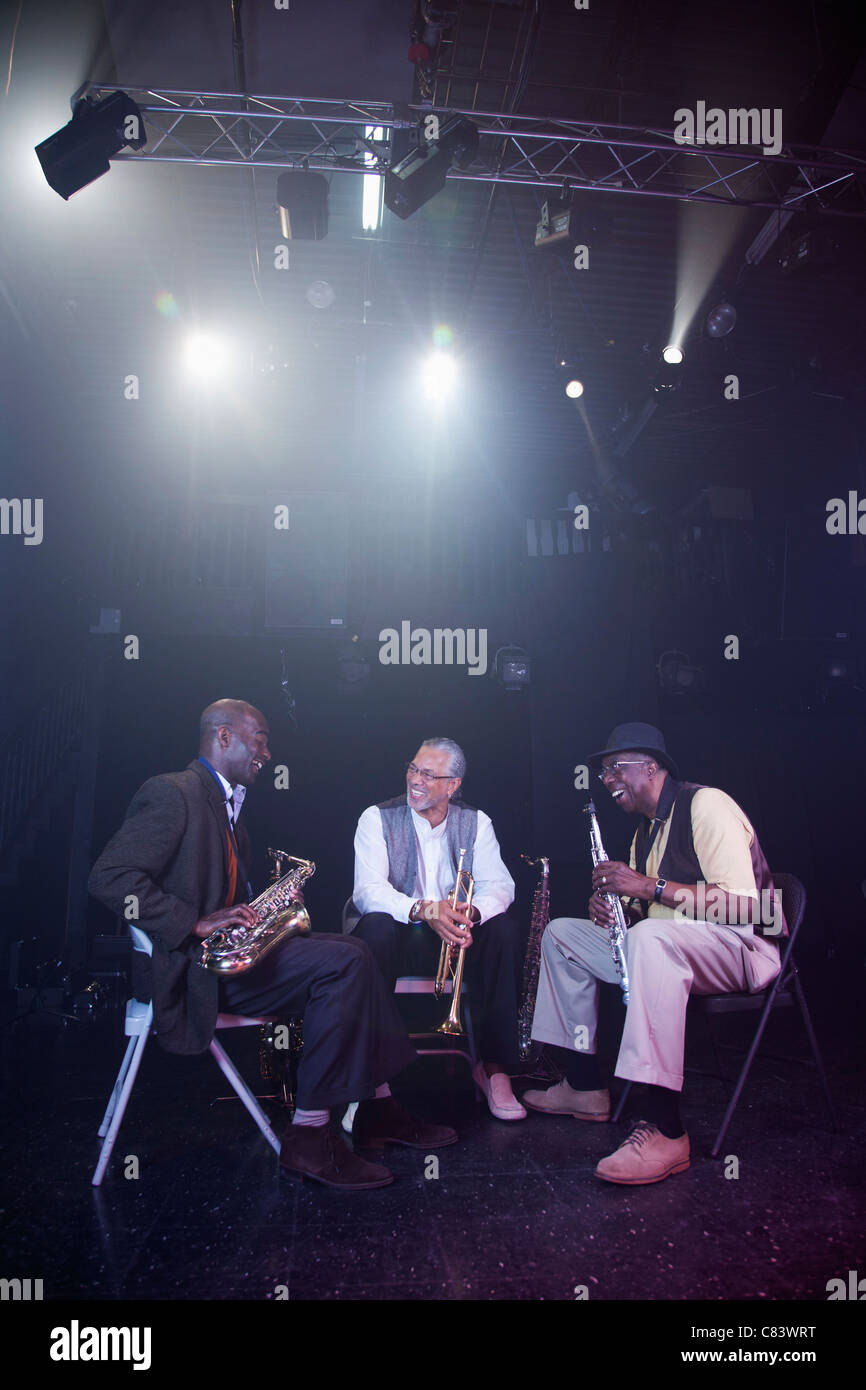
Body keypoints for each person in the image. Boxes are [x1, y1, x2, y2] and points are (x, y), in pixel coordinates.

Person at [88, 699, 457, 1191]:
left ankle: (378, 1107)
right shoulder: (173, 792)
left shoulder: (227, 807)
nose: (266, 750)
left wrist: (269, 909)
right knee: (347, 962)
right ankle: (310, 1136)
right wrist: (193, 922)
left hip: (225, 957)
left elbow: (225, 898)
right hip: (192, 969)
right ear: (223, 737)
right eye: (258, 737)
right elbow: (109, 879)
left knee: (357, 954)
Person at [523, 722, 784, 1184]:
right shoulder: (645, 831)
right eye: (603, 773)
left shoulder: (707, 804)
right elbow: (650, 910)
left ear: (652, 766)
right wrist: (617, 908)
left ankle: (665, 1127)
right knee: (564, 933)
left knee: (649, 941)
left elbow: (747, 906)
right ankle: (584, 1085)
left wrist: (645, 886)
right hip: (670, 947)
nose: (607, 782)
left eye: (614, 769)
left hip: (744, 947)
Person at [350, 737, 526, 1121]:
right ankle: (368, 1082)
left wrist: (471, 913)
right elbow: (366, 891)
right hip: (402, 934)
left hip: (460, 938)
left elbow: (501, 886)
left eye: (429, 774)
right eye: (413, 769)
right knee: (374, 929)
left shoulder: (477, 822)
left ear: (453, 785)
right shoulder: (376, 818)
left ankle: (495, 1070)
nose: (416, 779)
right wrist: (424, 909)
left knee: (503, 932)